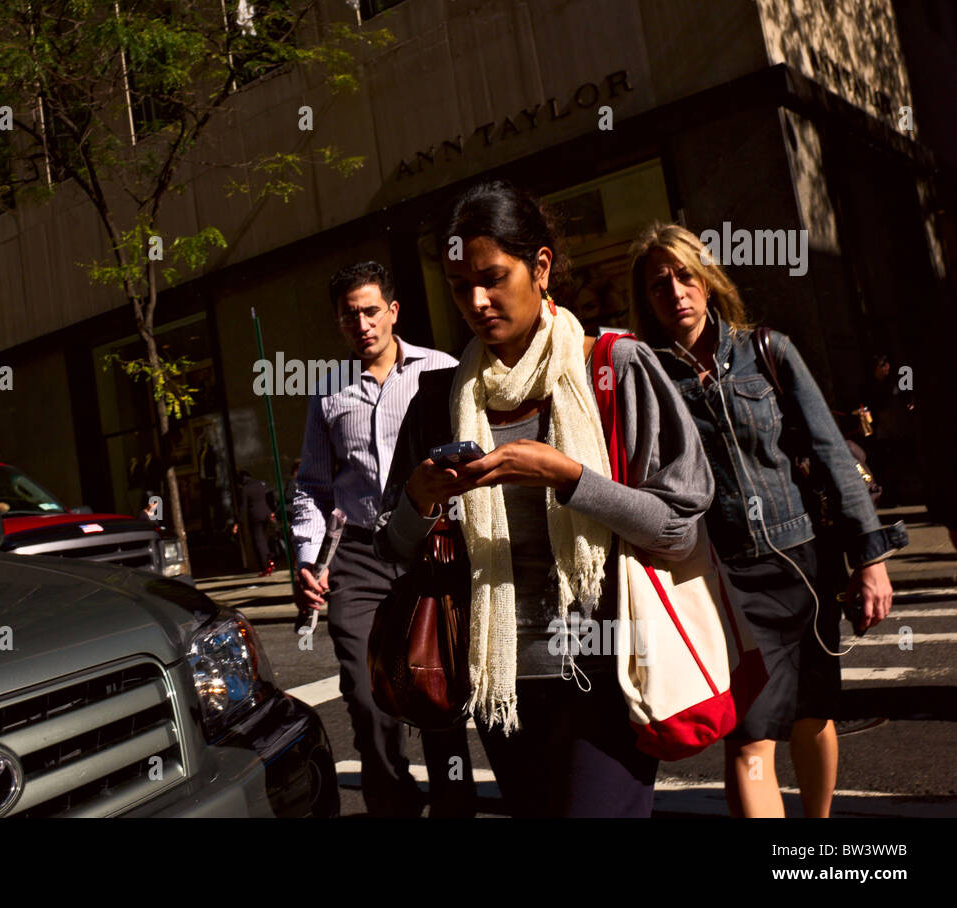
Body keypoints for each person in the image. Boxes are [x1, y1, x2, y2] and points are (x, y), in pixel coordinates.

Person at [375, 182, 713, 817]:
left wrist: (569, 477)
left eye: (493, 278)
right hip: (500, 683)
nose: (476, 301)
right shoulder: (438, 401)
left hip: (609, 672)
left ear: (541, 267)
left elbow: (678, 528)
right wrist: (417, 502)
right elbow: (393, 552)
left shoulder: (615, 366)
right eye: (458, 286)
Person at [626, 222, 901, 818]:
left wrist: (871, 558)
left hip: (802, 561)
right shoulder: (648, 376)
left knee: (813, 713)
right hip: (723, 580)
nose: (674, 291)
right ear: (645, 300)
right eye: (658, 284)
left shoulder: (766, 350)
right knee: (749, 736)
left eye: (684, 275)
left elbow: (831, 451)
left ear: (707, 279)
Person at [291, 260, 471, 818]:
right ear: (339, 324)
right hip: (361, 557)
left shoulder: (442, 371)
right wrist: (306, 558)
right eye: (350, 316)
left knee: (437, 690)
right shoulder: (328, 395)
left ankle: (453, 804)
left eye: (371, 311)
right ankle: (393, 804)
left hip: (431, 549)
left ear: (393, 312)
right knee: (368, 702)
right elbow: (311, 488)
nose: (363, 324)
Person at [234, 469, 275, 577]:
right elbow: (268, 498)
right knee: (265, 540)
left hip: (255, 517)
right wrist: (270, 512)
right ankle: (270, 562)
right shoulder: (261, 484)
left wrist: (238, 523)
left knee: (259, 541)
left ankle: (266, 566)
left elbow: (243, 508)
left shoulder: (245, 489)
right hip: (266, 514)